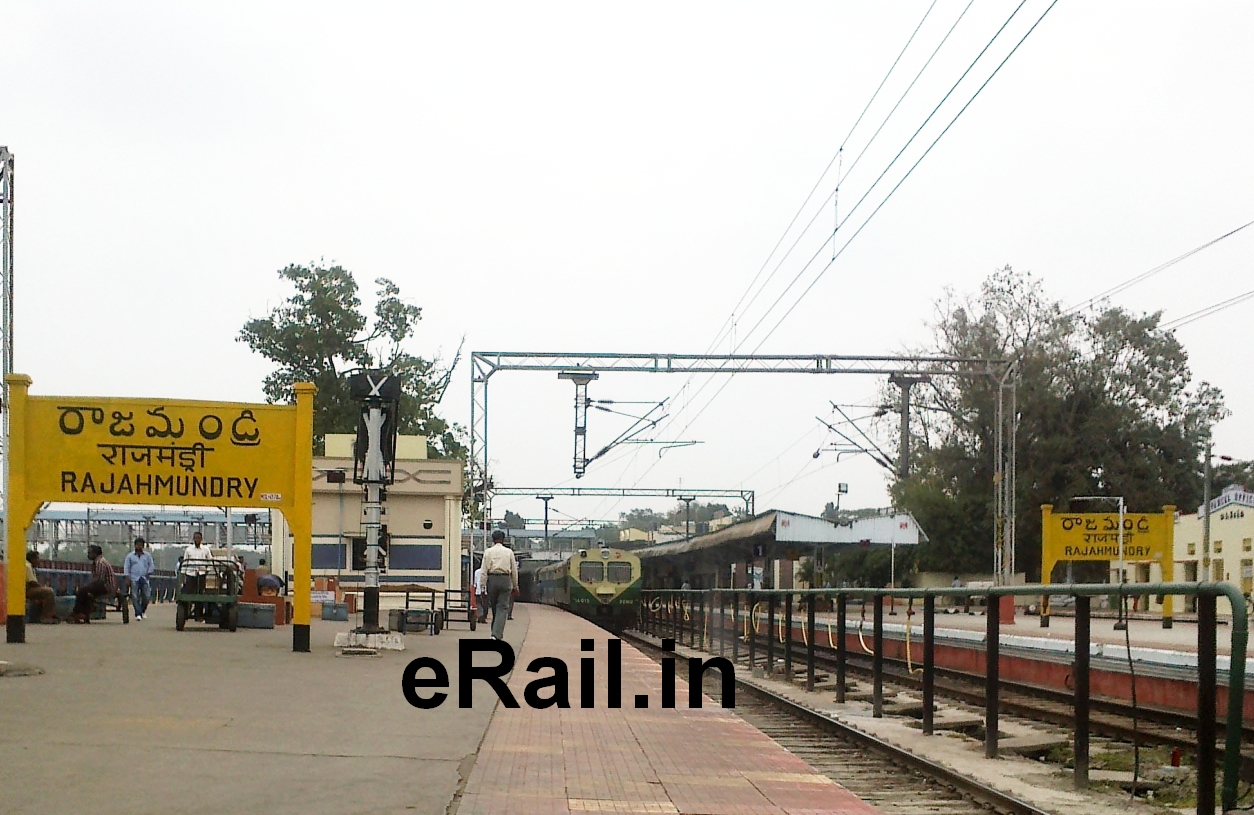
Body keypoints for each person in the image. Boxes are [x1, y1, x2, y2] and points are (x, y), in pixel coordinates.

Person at [481, 530, 518, 641]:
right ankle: (496, 634)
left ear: (493, 540)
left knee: (495, 608)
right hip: (505, 579)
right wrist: (516, 586)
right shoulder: (509, 552)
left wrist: (482, 587)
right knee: (502, 608)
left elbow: (483, 570)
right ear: (503, 539)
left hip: (492, 580)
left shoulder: (488, 552)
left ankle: (495, 633)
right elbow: (514, 571)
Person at [70, 545, 118, 623]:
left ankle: (77, 613)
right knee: (85, 591)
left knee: (82, 591)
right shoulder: (99, 561)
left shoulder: (100, 562)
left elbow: (99, 579)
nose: (88, 554)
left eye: (90, 553)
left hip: (106, 586)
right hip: (104, 585)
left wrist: (88, 586)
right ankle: (82, 613)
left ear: (95, 554)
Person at [182, 532, 214, 619]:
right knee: (188, 594)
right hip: (190, 574)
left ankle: (198, 614)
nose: (197, 540)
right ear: (193, 539)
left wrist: (208, 570)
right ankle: (186, 612)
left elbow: (210, 561)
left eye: (199, 538)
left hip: (201, 574)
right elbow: (185, 562)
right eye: (195, 538)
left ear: (201, 539)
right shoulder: (188, 550)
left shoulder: (206, 549)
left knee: (200, 594)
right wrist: (183, 574)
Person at [123, 537, 155, 620]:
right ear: (135, 546)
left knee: (147, 596)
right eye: (138, 545)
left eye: (141, 545)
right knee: (135, 596)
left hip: (144, 578)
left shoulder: (147, 556)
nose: (139, 547)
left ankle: (142, 611)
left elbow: (151, 565)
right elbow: (126, 567)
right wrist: (127, 577)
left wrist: (149, 572)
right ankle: (138, 613)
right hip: (134, 578)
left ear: (143, 546)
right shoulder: (130, 556)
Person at [25, 551, 59, 624]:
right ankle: (45, 617)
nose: (38, 561)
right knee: (49, 592)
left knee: (46, 591)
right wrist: (43, 587)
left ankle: (47, 615)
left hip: (27, 589)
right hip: (27, 590)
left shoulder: (29, 566)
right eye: (37, 558)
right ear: (32, 559)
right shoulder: (27, 566)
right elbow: (32, 582)